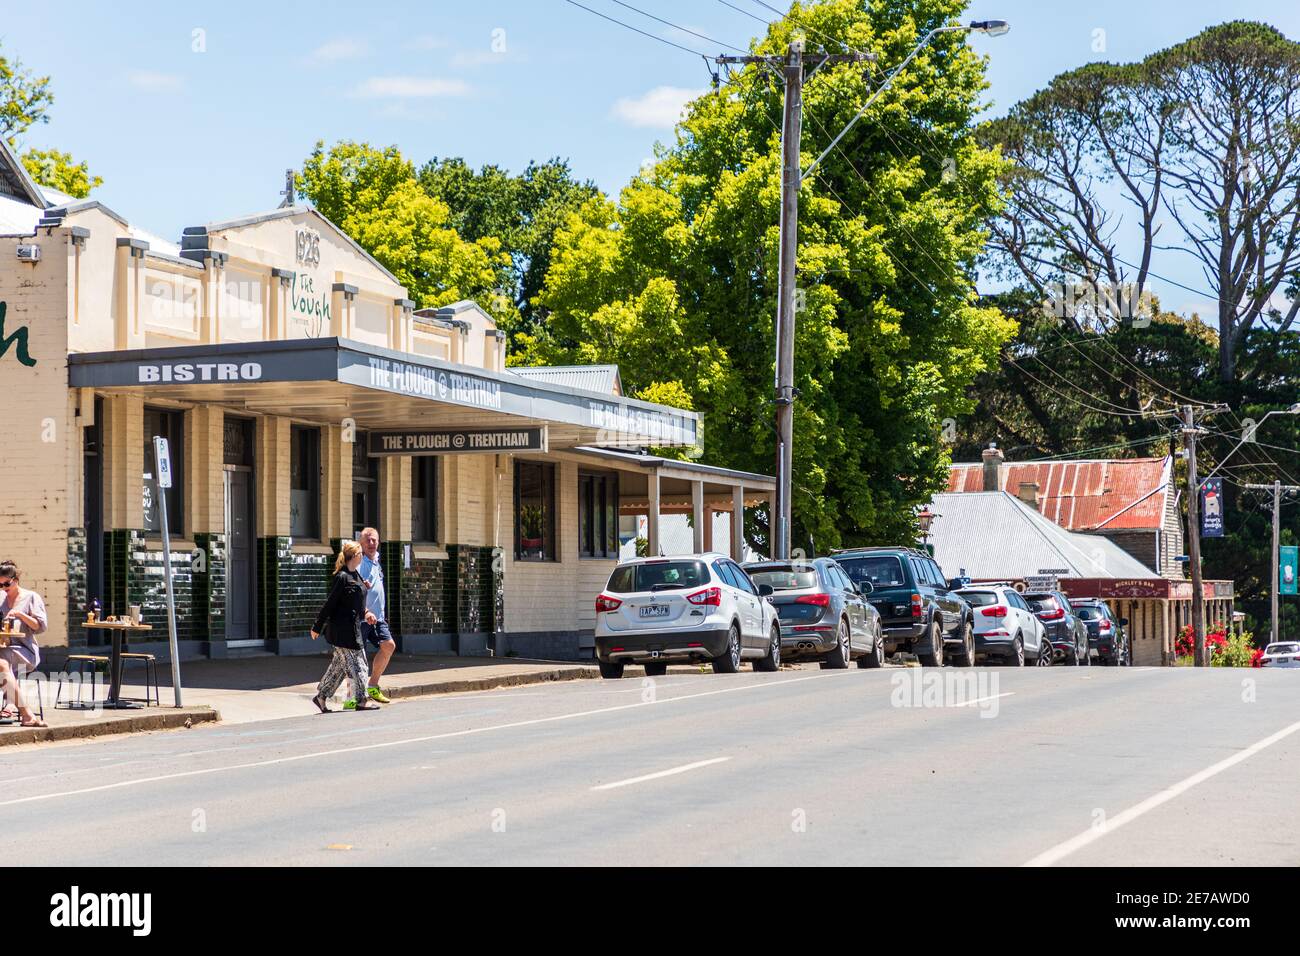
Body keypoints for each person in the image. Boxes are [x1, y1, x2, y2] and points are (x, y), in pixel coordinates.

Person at [310, 541, 379, 713]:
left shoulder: (356, 575)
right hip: (342, 631)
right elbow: (330, 604)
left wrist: (367, 613)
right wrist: (317, 627)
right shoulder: (342, 577)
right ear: (354, 556)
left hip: (352, 629)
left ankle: (321, 696)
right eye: (360, 554)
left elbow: (357, 604)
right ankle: (361, 699)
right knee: (359, 665)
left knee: (339, 669)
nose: (362, 556)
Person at [0, 560, 47, 727]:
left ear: (16, 579)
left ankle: (18, 708)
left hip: (25, 651)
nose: (4, 588)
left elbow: (40, 627)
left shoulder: (30, 597)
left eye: (7, 584)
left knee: (1, 663)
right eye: (0, 585)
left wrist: (21, 615)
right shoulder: (1, 599)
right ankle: (19, 709)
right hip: (3, 647)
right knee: (2, 662)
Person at [357, 526, 396, 705]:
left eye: (374, 540)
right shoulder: (360, 563)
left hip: (378, 618)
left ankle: (373, 685)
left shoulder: (377, 560)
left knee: (388, 645)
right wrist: (365, 611)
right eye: (368, 540)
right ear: (361, 543)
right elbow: (355, 592)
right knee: (356, 659)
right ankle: (353, 696)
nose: (371, 543)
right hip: (361, 618)